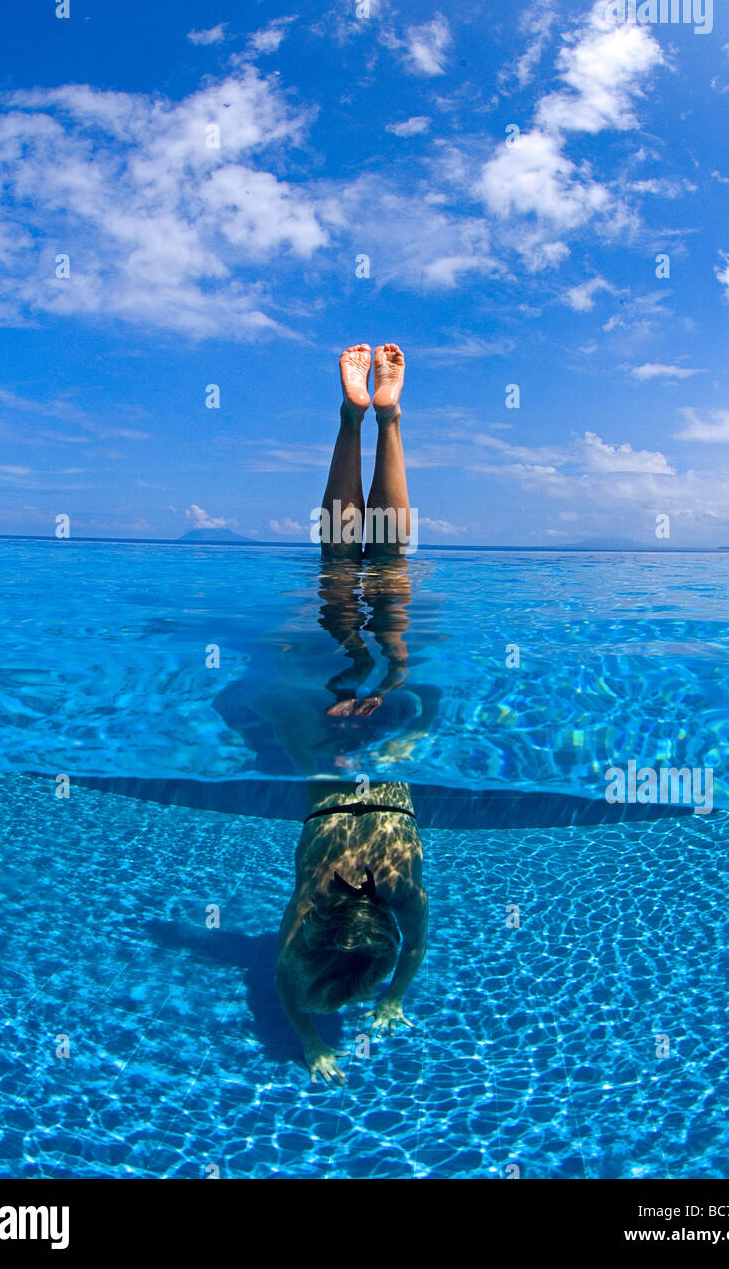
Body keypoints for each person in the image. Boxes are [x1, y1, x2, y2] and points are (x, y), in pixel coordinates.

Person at [274, 345, 429, 1084]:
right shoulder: (312, 901)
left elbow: (416, 949)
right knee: (342, 572)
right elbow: (283, 979)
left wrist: (393, 995)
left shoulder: (404, 892)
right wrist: (312, 1041)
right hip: (329, 742)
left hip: (385, 744)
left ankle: (386, 419)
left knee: (388, 582)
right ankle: (353, 419)